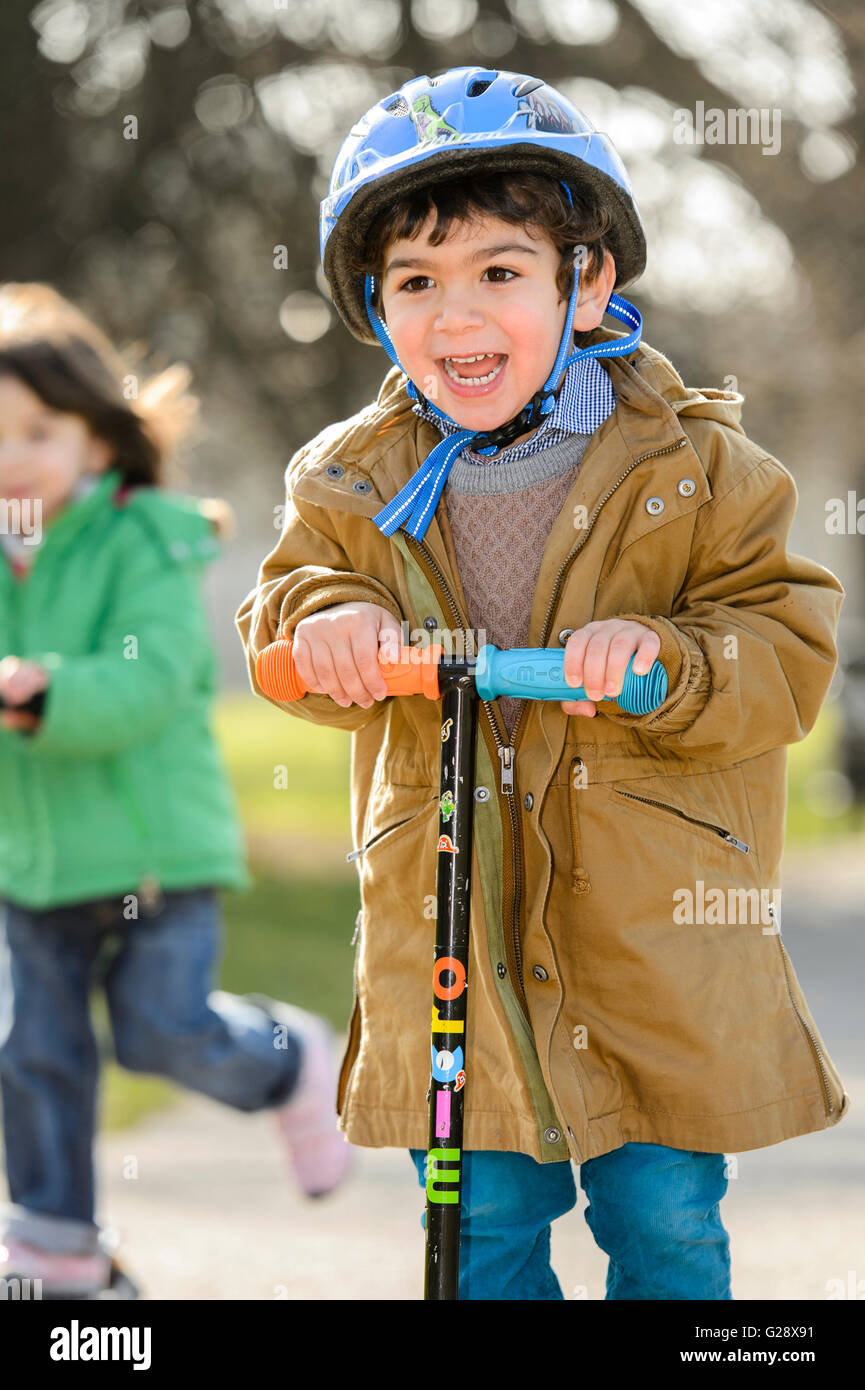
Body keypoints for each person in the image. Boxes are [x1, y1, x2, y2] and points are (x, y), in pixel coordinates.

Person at [235, 68, 849, 1300]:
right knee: (477, 1240)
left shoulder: (701, 467)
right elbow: (284, 612)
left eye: (499, 273)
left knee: (666, 1222)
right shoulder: (351, 479)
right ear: (374, 305)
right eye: (416, 283)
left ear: (589, 283)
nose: (456, 317)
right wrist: (335, 620)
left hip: (650, 942)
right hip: (452, 936)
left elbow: (783, 644)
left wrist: (666, 662)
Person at [0, 283, 350, 1300]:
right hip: (32, 853)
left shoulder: (146, 539)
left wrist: (47, 690)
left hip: (151, 848)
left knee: (160, 1028)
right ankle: (57, 1242)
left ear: (98, 444)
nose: (12, 457)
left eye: (38, 432)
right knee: (33, 1048)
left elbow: (151, 678)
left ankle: (285, 1061)